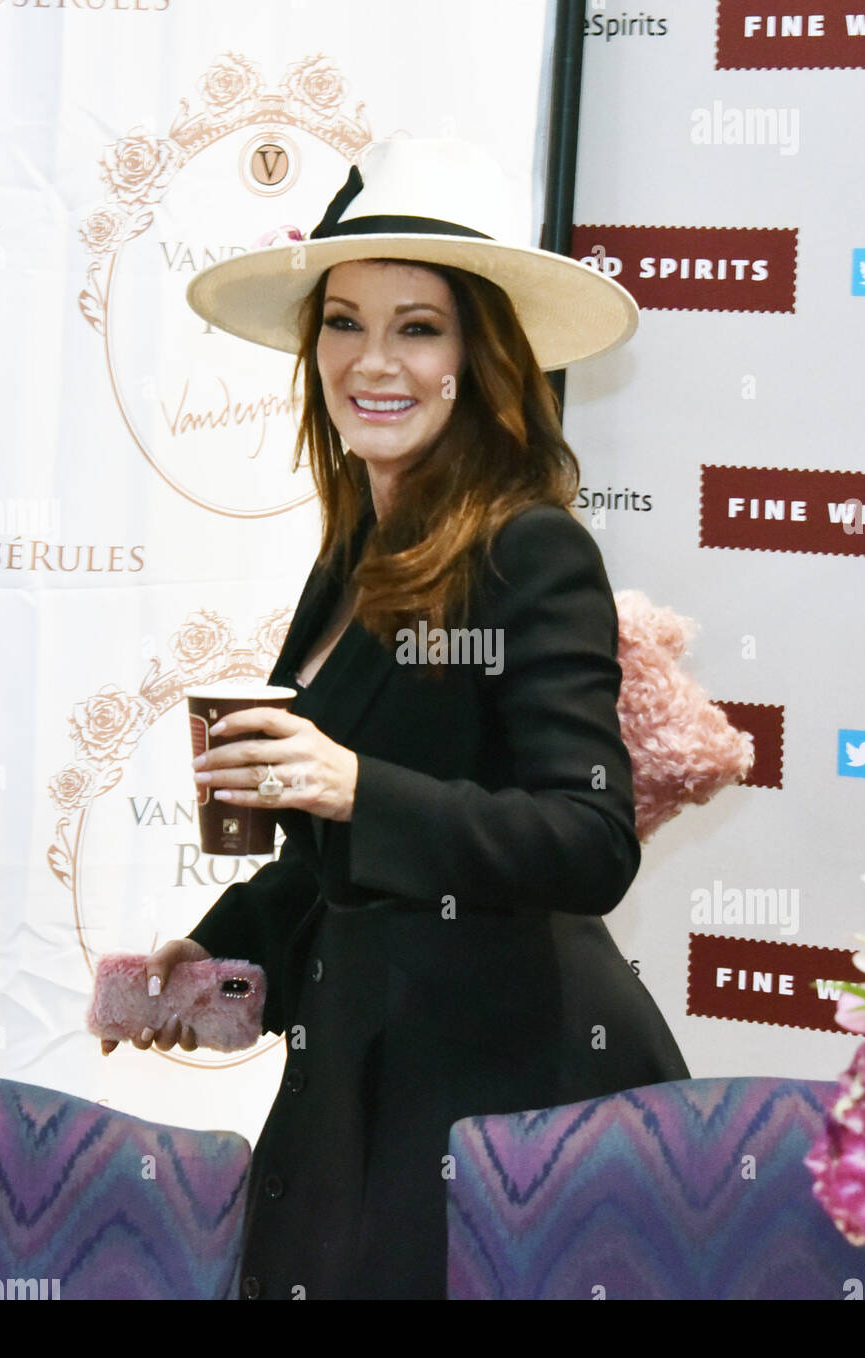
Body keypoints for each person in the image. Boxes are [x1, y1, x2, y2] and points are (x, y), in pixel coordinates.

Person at [102, 139, 689, 1299]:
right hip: (362, 1070)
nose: (373, 360)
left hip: (504, 1100)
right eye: (343, 322)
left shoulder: (530, 547)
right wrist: (225, 954)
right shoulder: (355, 554)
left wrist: (354, 785)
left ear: (480, 356)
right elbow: (349, 863)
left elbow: (588, 840)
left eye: (418, 326)